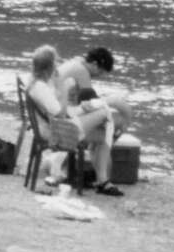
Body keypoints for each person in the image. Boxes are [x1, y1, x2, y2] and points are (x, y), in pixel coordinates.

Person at [27, 45, 123, 196]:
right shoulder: (41, 88)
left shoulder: (36, 82)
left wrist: (80, 108)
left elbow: (57, 111)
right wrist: (64, 90)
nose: (57, 67)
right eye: (55, 64)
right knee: (104, 115)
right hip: (58, 132)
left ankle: (102, 180)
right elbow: (60, 113)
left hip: (51, 126)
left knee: (104, 132)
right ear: (49, 66)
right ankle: (103, 181)